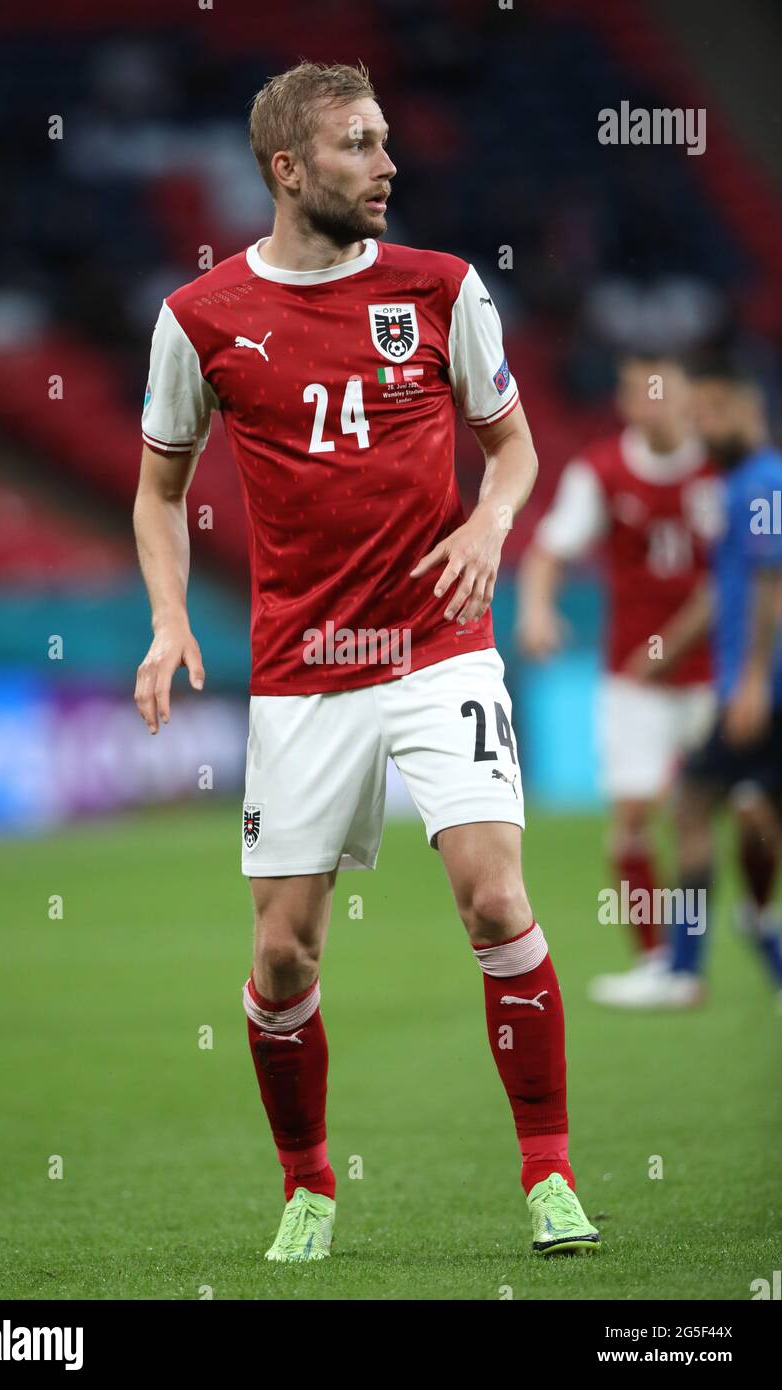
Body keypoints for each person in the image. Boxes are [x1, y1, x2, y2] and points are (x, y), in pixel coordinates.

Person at [132, 61, 599, 1259]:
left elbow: (514, 453)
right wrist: (168, 617)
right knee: (283, 954)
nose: (387, 164)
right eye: (357, 145)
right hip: (302, 668)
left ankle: (547, 1173)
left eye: (386, 139)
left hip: (440, 645)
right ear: (288, 170)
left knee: (494, 891)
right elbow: (157, 487)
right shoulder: (201, 319)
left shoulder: (442, 289)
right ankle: (308, 1184)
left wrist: (490, 526)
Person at [516, 354, 717, 1001]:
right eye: (638, 392)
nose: (651, 403)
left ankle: (757, 924)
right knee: (634, 815)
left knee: (750, 813)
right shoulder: (601, 472)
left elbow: (739, 572)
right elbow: (549, 549)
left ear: (690, 399)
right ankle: (663, 964)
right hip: (634, 677)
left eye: (664, 391)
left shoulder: (723, 466)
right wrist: (538, 608)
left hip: (718, 672)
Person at [598, 356, 782, 1009]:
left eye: (709, 414)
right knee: (742, 812)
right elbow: (723, 590)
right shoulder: (746, 486)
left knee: (693, 809)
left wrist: (755, 680)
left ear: (745, 412)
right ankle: (736, 943)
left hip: (758, 688)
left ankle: (683, 967)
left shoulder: (760, 486)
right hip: (750, 682)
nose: (700, 429)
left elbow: (770, 583)